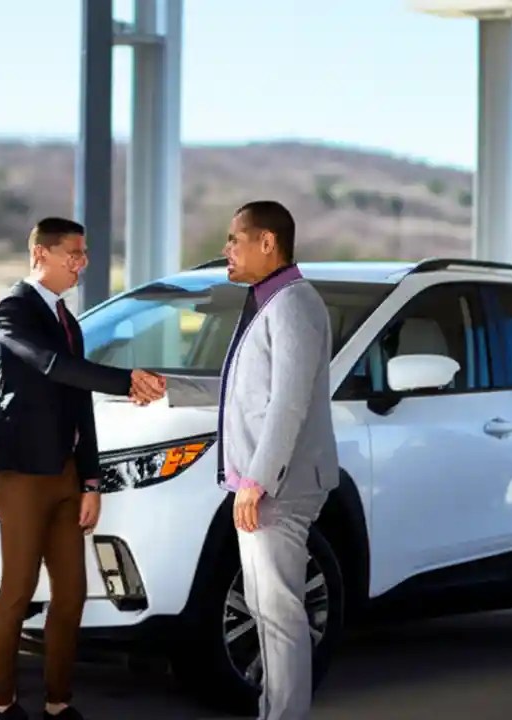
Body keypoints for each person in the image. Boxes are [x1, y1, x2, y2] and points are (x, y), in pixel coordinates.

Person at [0, 217, 165, 720]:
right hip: (20, 473)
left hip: (67, 476)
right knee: (18, 590)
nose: (82, 265)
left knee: (72, 594)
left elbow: (79, 401)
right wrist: (125, 379)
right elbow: (50, 365)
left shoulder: (70, 321)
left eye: (85, 255)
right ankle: (3, 703)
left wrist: (91, 480)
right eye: (74, 255)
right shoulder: (13, 308)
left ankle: (58, 703)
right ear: (41, 254)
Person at [214, 200, 337, 720]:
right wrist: (166, 388)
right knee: (267, 611)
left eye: (234, 239)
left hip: (277, 491)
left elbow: (287, 402)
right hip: (263, 487)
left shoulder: (291, 304)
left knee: (281, 614)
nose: (226, 250)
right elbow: (248, 392)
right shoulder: (270, 302)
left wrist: (256, 481)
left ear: (267, 243)